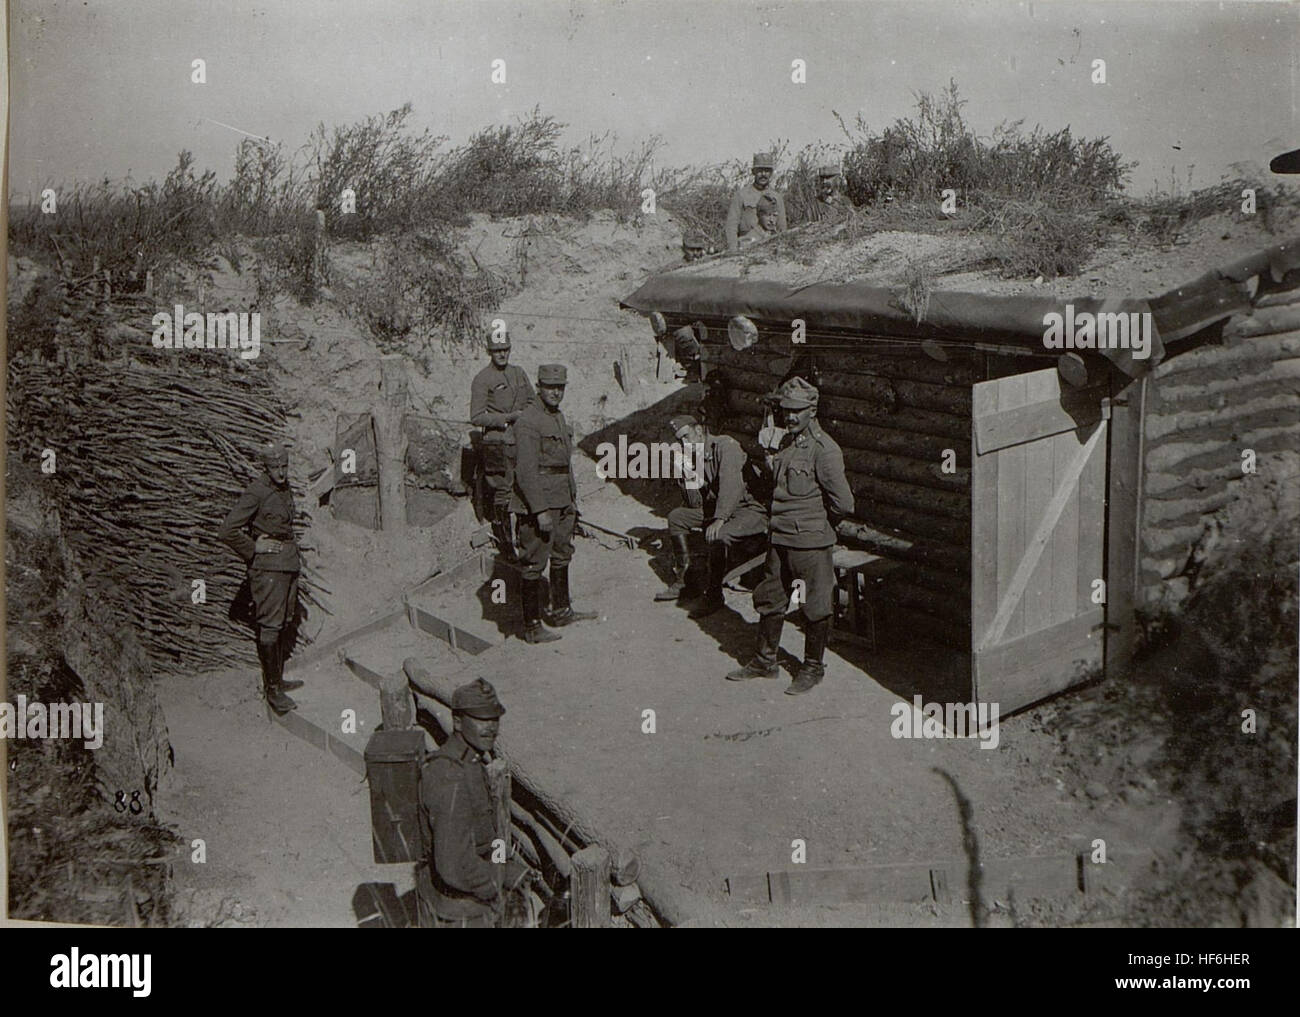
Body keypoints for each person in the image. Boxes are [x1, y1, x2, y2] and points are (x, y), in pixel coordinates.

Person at [726, 377, 854, 696]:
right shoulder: (786, 444)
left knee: (815, 605)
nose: (790, 416)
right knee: (771, 600)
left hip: (810, 543)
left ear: (812, 410)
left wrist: (816, 526)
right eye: (786, 410)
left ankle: (812, 667)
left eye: (797, 410)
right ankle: (764, 661)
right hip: (779, 538)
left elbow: (844, 504)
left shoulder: (825, 451)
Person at [417, 678, 533, 928]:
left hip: (473, 898)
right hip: (460, 911)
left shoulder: (472, 763)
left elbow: (491, 835)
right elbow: (454, 866)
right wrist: (501, 879)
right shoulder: (450, 777)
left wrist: (504, 864)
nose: (491, 727)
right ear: (457, 722)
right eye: (481, 719)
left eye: (494, 719)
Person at [510, 363, 596, 643]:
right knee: (534, 561)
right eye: (550, 387)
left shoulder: (557, 417)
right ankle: (532, 626)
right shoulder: (528, 421)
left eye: (560, 388)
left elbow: (564, 464)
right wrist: (540, 510)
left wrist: (571, 499)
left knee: (562, 554)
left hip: (562, 500)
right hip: (541, 503)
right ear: (539, 387)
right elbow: (525, 472)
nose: (556, 392)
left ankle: (561, 610)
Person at [218, 441, 304, 715]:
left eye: (285, 466)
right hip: (268, 570)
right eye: (275, 467)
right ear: (265, 468)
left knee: (282, 622)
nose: (281, 472)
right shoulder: (256, 492)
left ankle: (278, 678)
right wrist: (253, 547)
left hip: (287, 564)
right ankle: (273, 691)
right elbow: (227, 530)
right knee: (270, 626)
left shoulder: (283, 487)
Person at [655, 414, 769, 619]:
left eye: (686, 436)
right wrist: (685, 473)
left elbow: (730, 485)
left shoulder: (725, 446)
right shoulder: (693, 454)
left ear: (699, 430)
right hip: (721, 509)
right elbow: (695, 502)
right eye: (679, 440)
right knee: (677, 517)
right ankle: (685, 582)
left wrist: (719, 519)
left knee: (718, 534)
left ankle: (714, 595)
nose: (684, 442)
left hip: (750, 510)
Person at [470, 331, 535, 561]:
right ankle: (505, 545)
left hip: (521, 440)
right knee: (503, 491)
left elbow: (532, 401)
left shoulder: (518, 373)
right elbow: (476, 416)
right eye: (497, 350)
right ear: (490, 352)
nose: (502, 354)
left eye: (505, 349)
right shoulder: (483, 378)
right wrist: (507, 418)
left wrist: (526, 416)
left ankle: (524, 539)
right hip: (498, 442)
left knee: (524, 486)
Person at [725, 152, 788, 251]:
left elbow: (782, 227)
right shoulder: (741, 195)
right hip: (746, 245)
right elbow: (731, 225)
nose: (763, 174)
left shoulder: (777, 197)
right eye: (759, 171)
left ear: (771, 173)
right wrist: (733, 249)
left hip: (770, 245)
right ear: (753, 172)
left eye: (767, 171)